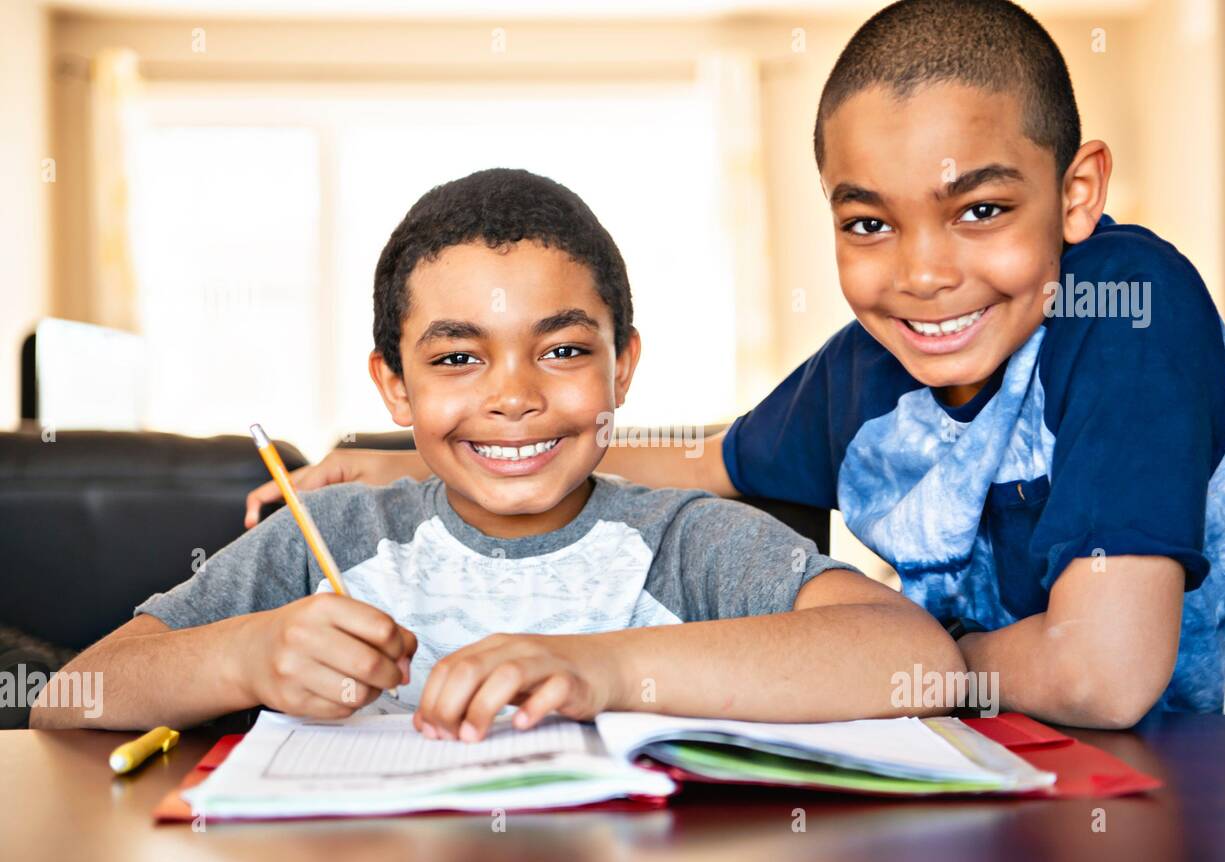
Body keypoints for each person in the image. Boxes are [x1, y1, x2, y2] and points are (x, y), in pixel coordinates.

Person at [254, 1, 1225, 729]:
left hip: (1167, 783)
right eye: (869, 221)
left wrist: (893, 662)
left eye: (981, 211)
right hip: (953, 758)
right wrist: (400, 464)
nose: (921, 274)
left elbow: (1101, 675)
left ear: (1076, 193)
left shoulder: (1128, 305)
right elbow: (698, 462)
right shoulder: (865, 369)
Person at [33, 168, 961, 736]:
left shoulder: (684, 540)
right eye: (456, 357)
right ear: (395, 385)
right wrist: (240, 658)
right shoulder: (334, 537)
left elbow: (914, 659)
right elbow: (69, 696)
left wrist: (601, 668)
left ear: (622, 368)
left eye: (562, 351)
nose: (513, 395)